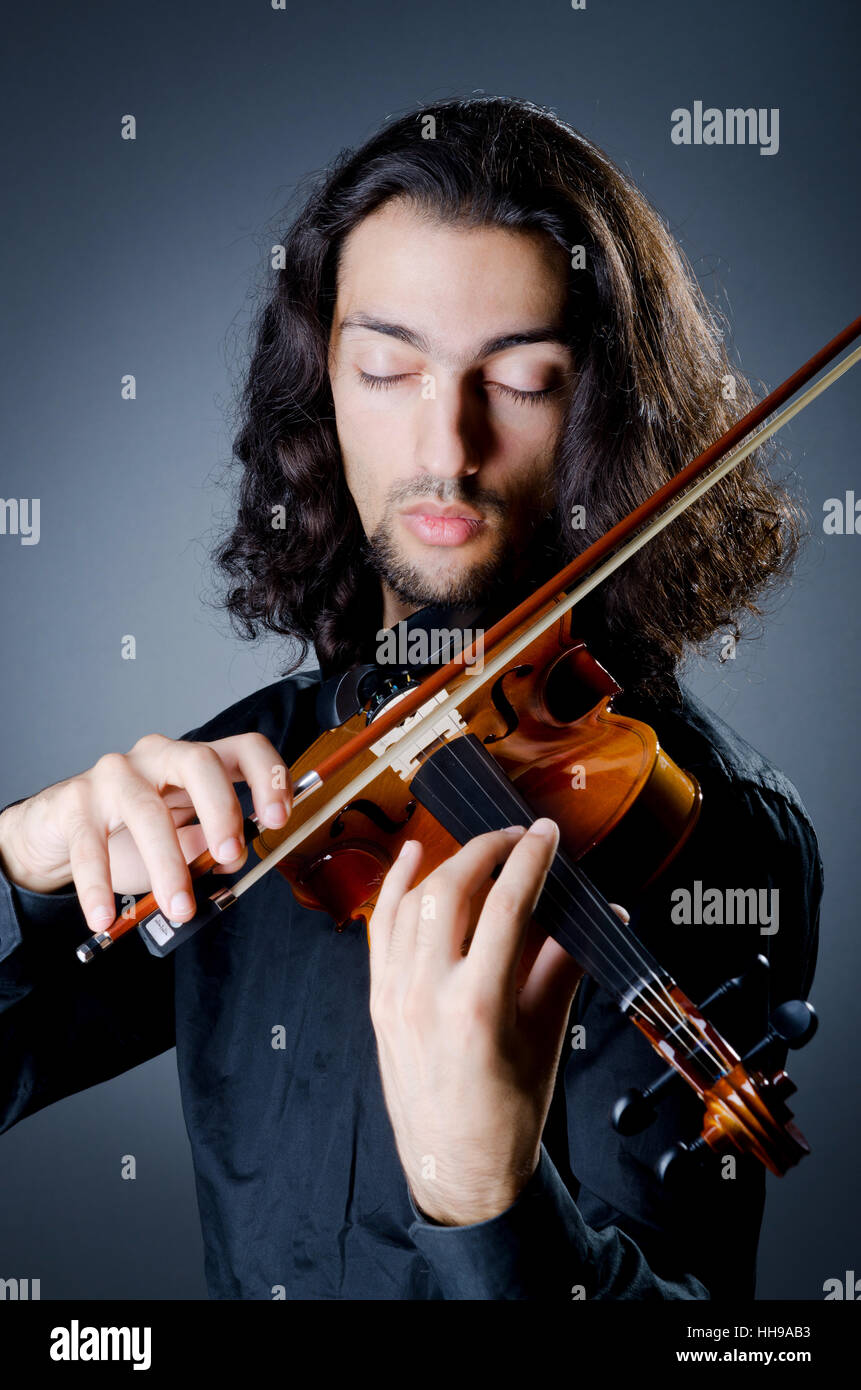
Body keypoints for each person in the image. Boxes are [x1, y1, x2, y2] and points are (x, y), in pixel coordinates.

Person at [0, 96, 821, 1300]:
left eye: (526, 378)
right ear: (320, 391)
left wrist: (490, 1202)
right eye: (387, 367)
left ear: (599, 411)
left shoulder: (698, 827)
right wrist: (15, 859)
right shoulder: (256, 779)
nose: (447, 443)